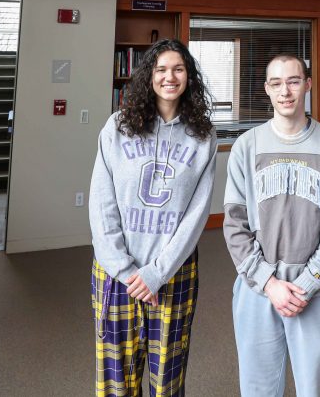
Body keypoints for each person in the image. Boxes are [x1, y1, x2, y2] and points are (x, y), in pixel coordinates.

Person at [88, 38, 217, 397]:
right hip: (117, 276)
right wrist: (127, 270)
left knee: (168, 379)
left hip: (173, 273)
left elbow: (197, 212)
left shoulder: (203, 135)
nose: (169, 77)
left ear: (189, 76)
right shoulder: (117, 127)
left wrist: (157, 272)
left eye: (178, 69)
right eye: (161, 69)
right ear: (148, 76)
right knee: (118, 379)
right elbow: (102, 205)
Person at [224, 53, 320, 397]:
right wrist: (269, 283)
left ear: (307, 84)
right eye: (276, 83)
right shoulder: (246, 146)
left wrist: (308, 282)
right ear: (267, 89)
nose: (286, 91)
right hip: (258, 290)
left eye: (294, 81)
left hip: (317, 292)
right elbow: (234, 226)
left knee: (315, 390)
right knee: (258, 389)